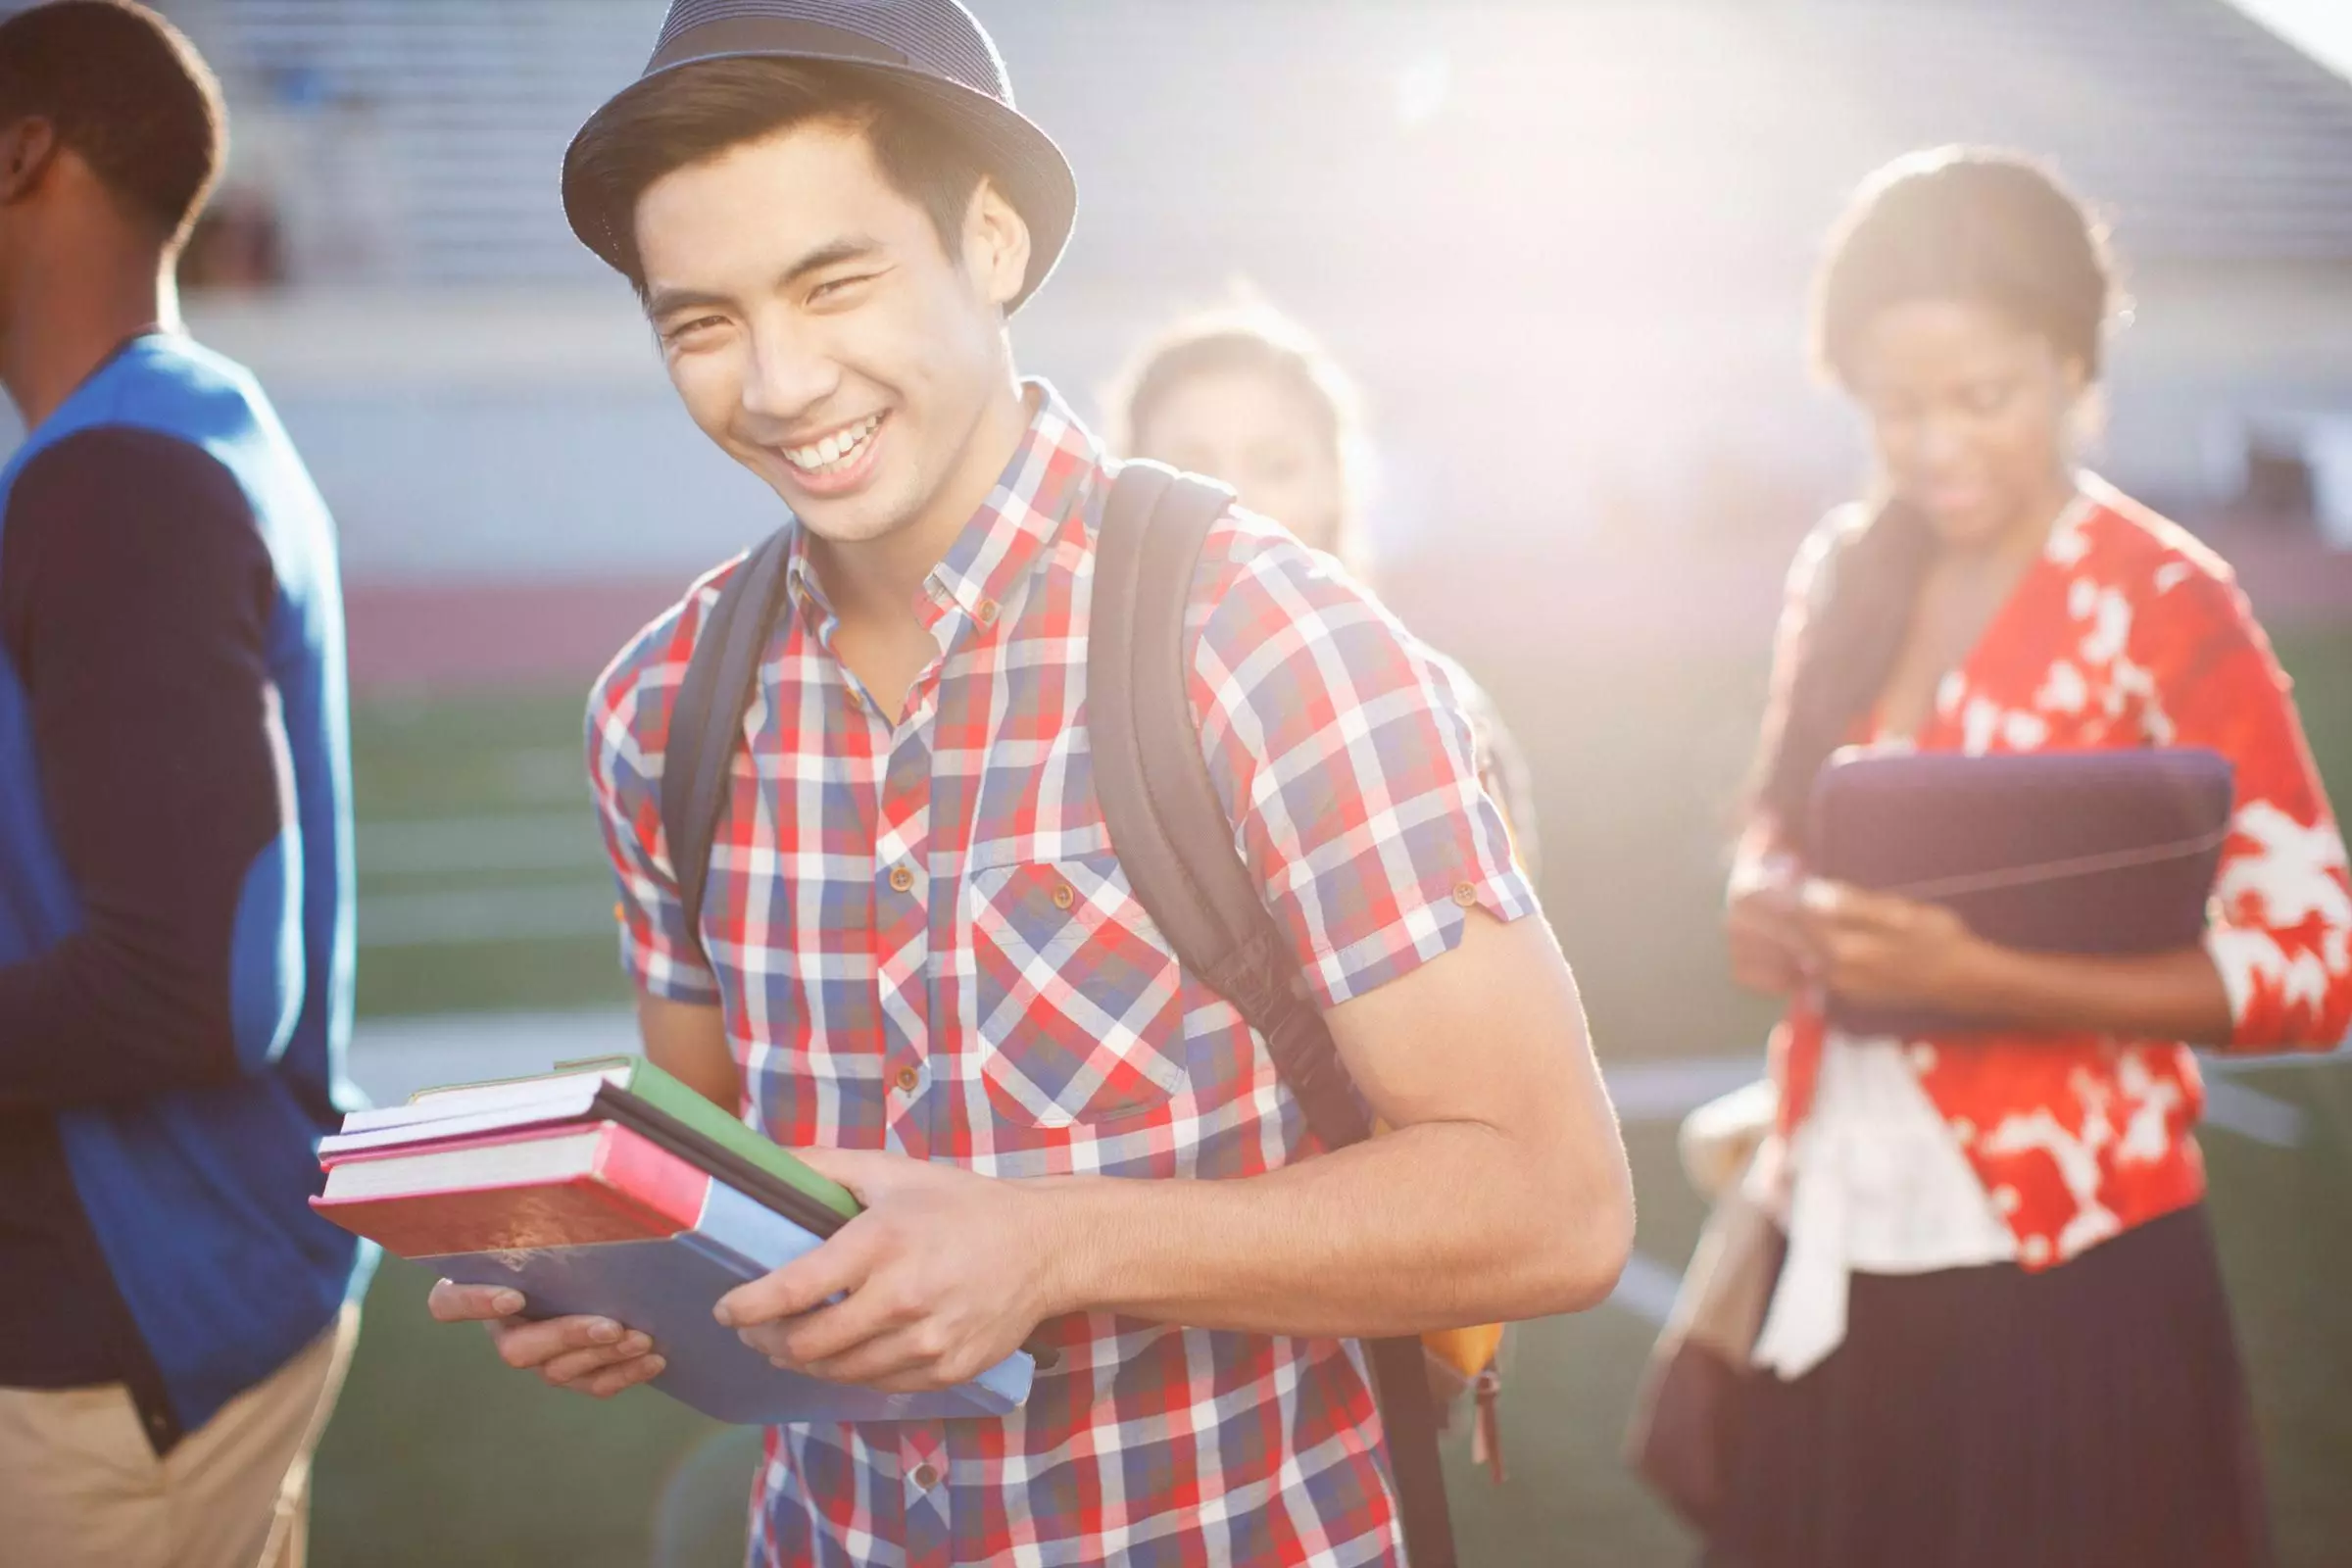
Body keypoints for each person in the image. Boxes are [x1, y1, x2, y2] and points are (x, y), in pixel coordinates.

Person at [425, 3, 1634, 1563]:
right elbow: (714, 1159)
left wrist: (1052, 1245)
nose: (780, 382)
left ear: (990, 241)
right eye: (701, 321)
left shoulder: (1265, 640)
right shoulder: (661, 709)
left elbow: (1553, 1203)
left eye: (833, 283)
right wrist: (613, 1276)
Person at [1714, 146, 2351, 1567]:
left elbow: (2316, 960)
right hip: (1839, 1221)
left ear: (2073, 364)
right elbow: (1777, 818)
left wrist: (1982, 973)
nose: (1936, 447)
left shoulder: (2166, 598)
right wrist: (1758, 904)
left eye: (1981, 398)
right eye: (1894, 409)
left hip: (2071, 1264)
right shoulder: (1844, 569)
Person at [0, 5, 368, 1566]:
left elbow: (195, 990)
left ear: (23, 152)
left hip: (122, 1325)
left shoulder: (116, 475)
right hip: (205, 1279)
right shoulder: (178, 424)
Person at [1113, 302, 1544, 880]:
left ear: (1333, 488)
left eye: (1276, 466)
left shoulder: (1430, 709)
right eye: (1188, 469)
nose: (1229, 500)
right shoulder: (1065, 710)